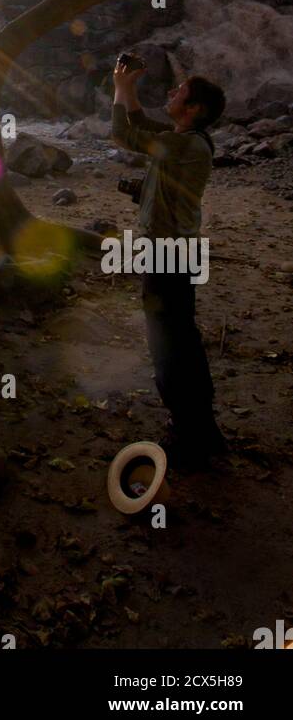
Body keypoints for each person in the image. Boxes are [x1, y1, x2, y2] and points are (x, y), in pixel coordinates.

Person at [111, 63, 228, 471]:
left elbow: (126, 134)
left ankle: (188, 434)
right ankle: (203, 429)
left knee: (168, 345)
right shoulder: (182, 142)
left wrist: (118, 92)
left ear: (193, 108)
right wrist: (126, 88)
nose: (173, 92)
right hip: (174, 251)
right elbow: (143, 126)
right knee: (182, 339)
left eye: (180, 91)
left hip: (170, 255)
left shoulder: (187, 145)